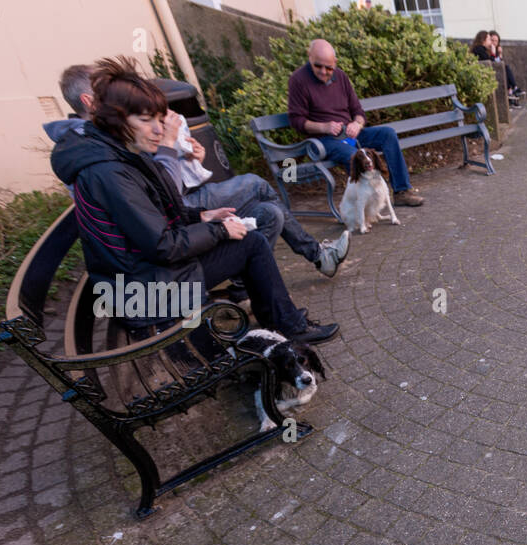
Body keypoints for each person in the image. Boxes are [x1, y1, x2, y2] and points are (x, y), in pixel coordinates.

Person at [50, 56, 338, 344]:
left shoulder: (116, 153)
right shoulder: (109, 171)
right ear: (116, 120)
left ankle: (283, 323)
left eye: (159, 119)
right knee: (251, 243)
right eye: (146, 120)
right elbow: (163, 246)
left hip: (146, 277)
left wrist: (202, 217)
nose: (159, 130)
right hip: (145, 295)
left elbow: (155, 210)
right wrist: (220, 230)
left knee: (252, 236)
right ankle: (289, 327)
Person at [288, 39, 424, 207]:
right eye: (318, 66)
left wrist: (357, 124)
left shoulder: (341, 77)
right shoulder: (298, 80)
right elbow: (296, 121)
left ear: (335, 63)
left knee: (388, 134)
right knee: (355, 155)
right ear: (309, 57)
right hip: (324, 140)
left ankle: (402, 191)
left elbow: (358, 112)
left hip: (350, 132)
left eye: (329, 68)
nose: (323, 72)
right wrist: (324, 127)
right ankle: (368, 203)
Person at [489, 31, 524, 104]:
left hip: (499, 71)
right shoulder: (488, 50)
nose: (494, 43)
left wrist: (500, 54)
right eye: (492, 40)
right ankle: (513, 89)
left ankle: (511, 92)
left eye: (496, 41)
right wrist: (493, 52)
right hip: (492, 72)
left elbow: (500, 63)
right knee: (506, 68)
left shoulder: (496, 50)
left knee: (506, 69)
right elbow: (494, 63)